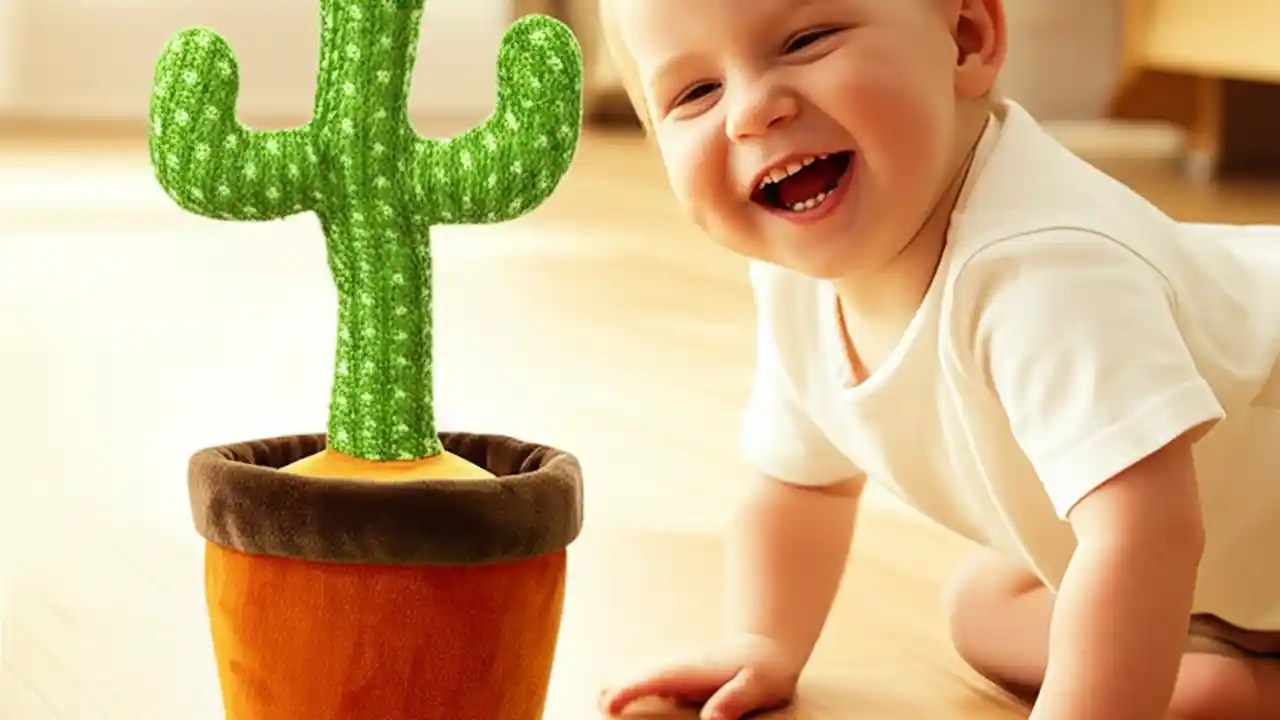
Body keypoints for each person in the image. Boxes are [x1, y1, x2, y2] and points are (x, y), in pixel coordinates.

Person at [590, 0, 1280, 718]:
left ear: (966, 38)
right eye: (697, 92)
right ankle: (1240, 681)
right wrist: (760, 640)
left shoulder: (1047, 270)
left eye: (806, 40)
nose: (751, 112)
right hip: (1238, 564)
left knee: (1114, 577)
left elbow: (1147, 531)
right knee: (985, 607)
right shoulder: (801, 280)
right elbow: (802, 484)